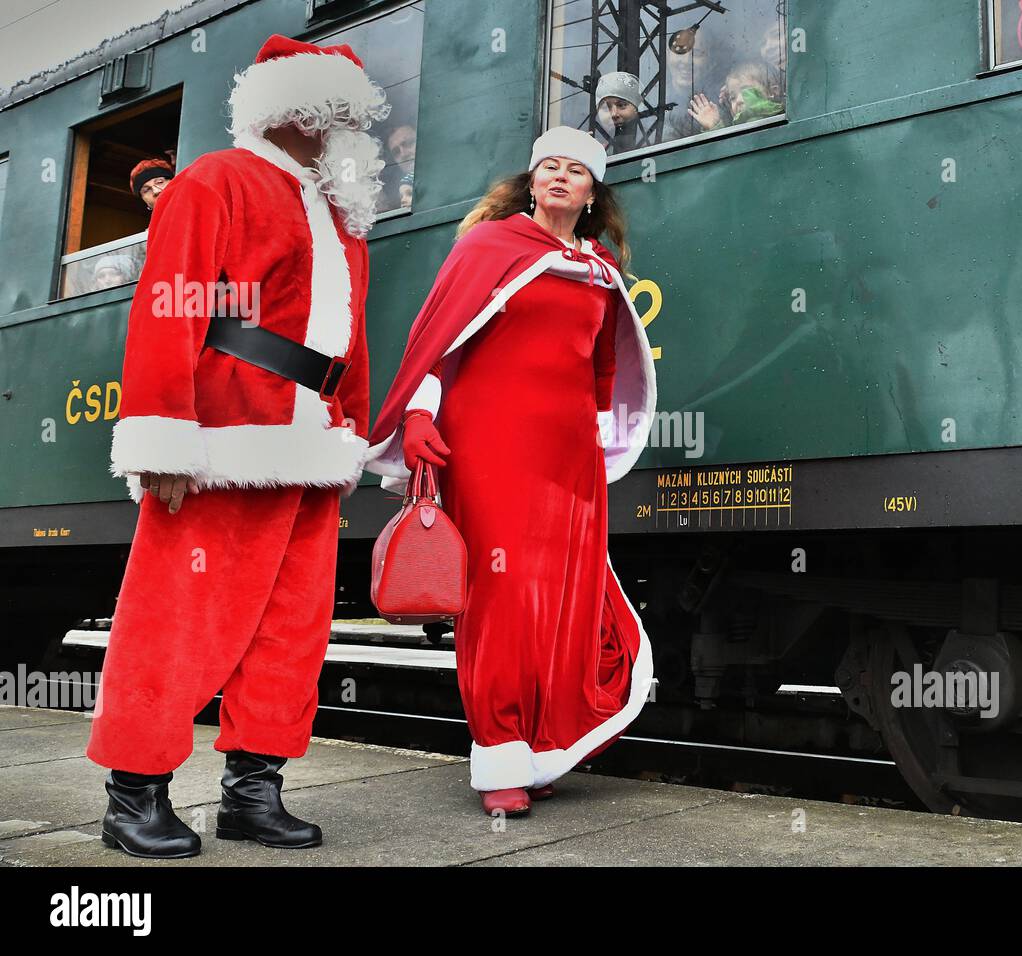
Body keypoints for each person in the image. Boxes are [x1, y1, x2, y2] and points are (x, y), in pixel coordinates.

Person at [85, 33, 389, 859]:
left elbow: (349, 347)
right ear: (291, 107)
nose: (340, 128)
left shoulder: (341, 218)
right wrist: (162, 435)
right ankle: (133, 795)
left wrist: (351, 434)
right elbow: (169, 304)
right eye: (331, 111)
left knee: (292, 632)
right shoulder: (216, 180)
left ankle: (254, 795)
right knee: (178, 621)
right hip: (225, 437)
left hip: (312, 446)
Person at [364, 126, 657, 817]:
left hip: (567, 457)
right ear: (530, 182)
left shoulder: (599, 271)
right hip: (489, 444)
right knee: (499, 601)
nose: (560, 177)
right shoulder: (486, 248)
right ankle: (498, 749)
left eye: (575, 171)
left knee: (560, 599)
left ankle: (541, 744)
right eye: (548, 167)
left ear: (592, 193)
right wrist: (418, 417)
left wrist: (597, 437)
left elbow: (606, 368)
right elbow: (436, 342)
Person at [594, 71, 645, 154]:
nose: (614, 114)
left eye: (621, 105)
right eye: (605, 108)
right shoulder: (591, 151)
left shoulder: (658, 142)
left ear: (636, 109)